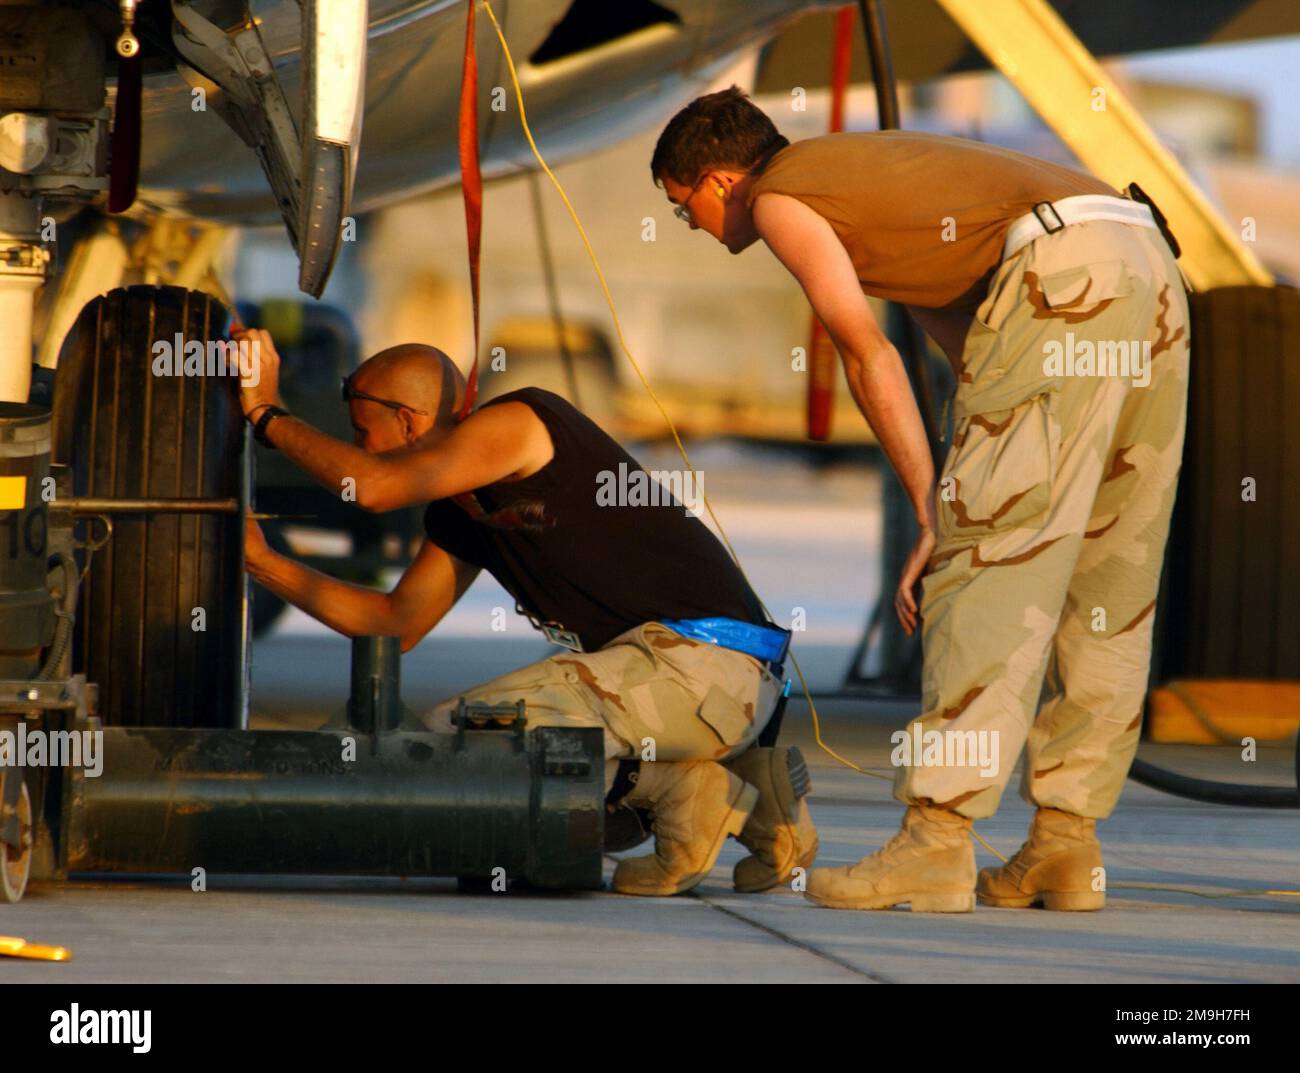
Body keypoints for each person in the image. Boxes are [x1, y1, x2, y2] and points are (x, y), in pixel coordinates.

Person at [650, 86, 1189, 912]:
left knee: (988, 565)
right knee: (1110, 576)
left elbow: (868, 357)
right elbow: (978, 354)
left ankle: (936, 841)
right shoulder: (878, 191)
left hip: (1063, 273)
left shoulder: (783, 195)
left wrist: (936, 512)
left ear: (723, 180)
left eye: (685, 209)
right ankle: (1065, 845)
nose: (692, 228)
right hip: (1147, 268)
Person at [236, 334, 818, 896]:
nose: (358, 447)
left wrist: (266, 411)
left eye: (364, 432)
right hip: (717, 695)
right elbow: (394, 623)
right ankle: (762, 802)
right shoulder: (463, 507)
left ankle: (681, 792)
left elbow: (372, 488)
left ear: (408, 420)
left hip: (699, 671)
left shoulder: (520, 423)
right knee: (505, 758)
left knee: (469, 736)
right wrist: (264, 565)